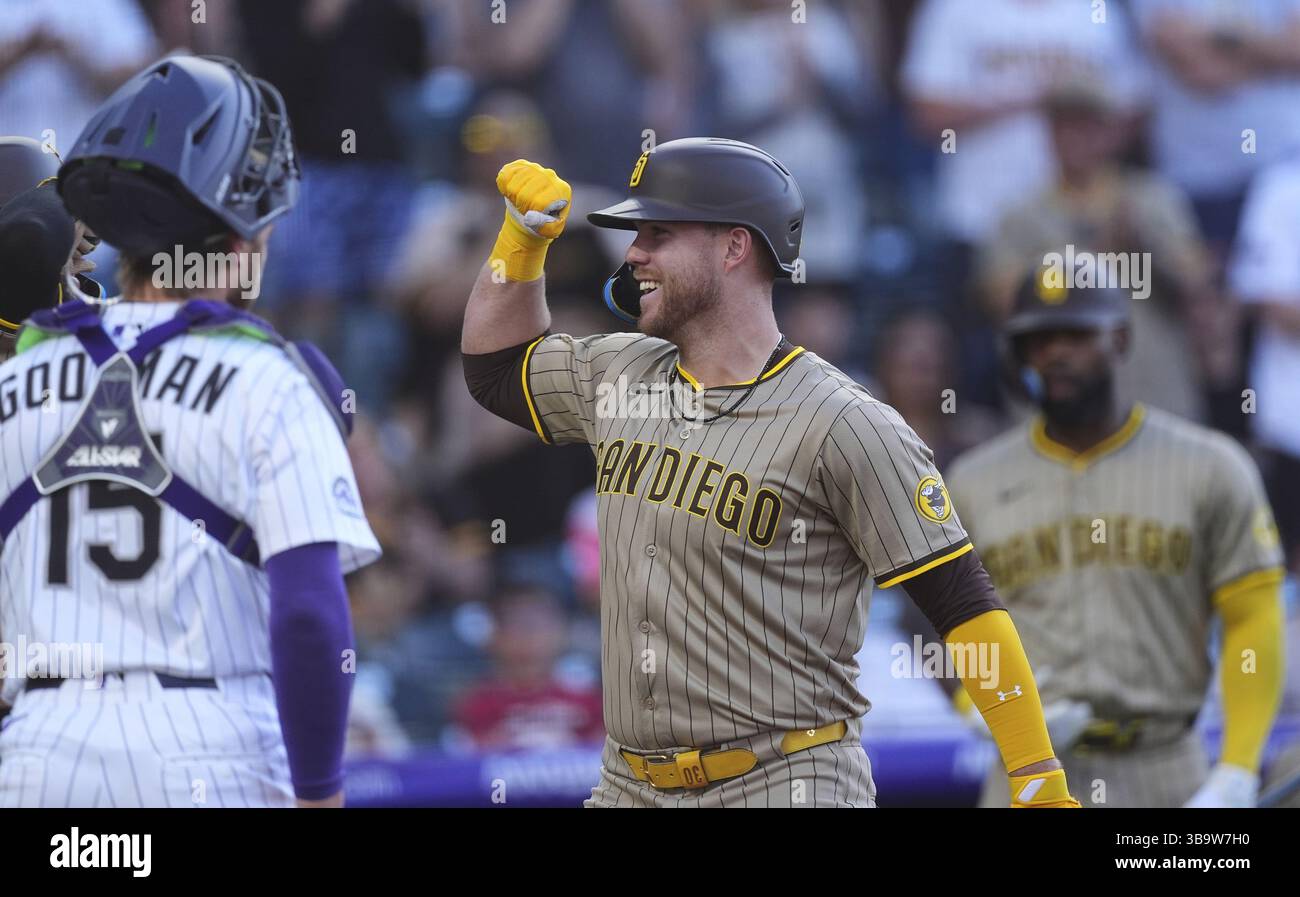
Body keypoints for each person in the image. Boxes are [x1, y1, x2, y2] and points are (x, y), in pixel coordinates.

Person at [461, 136, 1081, 807]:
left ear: (735, 247)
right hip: (629, 784)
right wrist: (521, 243)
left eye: (658, 232)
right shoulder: (620, 371)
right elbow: (495, 369)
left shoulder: (843, 420)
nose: (634, 252)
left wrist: (1035, 774)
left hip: (785, 779)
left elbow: (963, 606)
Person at [0, 55, 380, 807]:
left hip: (38, 755)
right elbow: (308, 614)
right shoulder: (277, 378)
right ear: (243, 241)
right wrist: (320, 793)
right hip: (208, 748)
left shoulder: (16, 381)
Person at [946, 269, 1287, 807]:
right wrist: (975, 703)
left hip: (1165, 767)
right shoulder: (971, 481)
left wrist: (1239, 767)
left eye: (1077, 335)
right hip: (1029, 770)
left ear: (1120, 338)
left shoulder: (1211, 466)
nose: (1055, 353)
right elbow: (939, 618)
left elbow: (1253, 616)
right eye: (1039, 340)